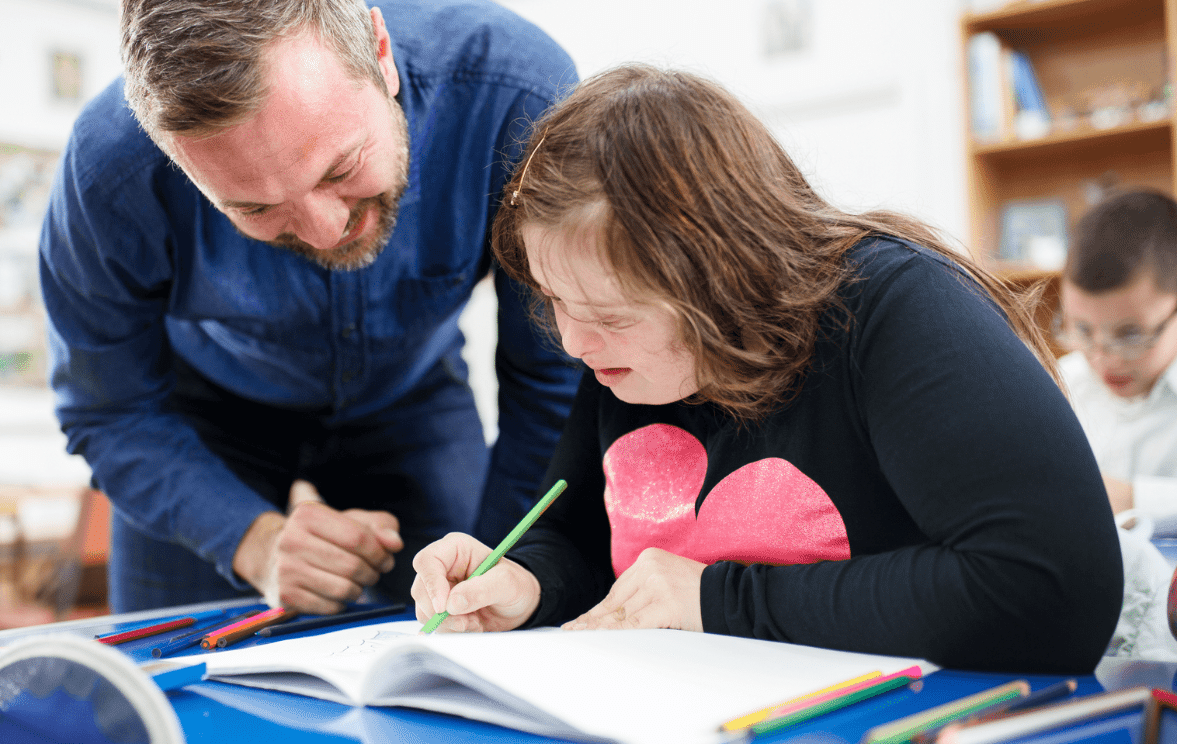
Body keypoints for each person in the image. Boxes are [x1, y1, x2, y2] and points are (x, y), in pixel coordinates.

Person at [409, 64, 1123, 673]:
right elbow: (579, 539)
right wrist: (526, 578)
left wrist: (710, 599)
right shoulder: (625, 362)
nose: (572, 342)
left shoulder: (892, 311)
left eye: (612, 313)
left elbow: (1049, 588)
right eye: (555, 299)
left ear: (720, 275)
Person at [38, 0, 581, 616]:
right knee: (164, 703)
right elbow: (109, 408)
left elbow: (552, 376)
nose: (327, 231)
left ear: (381, 55)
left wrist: (507, 568)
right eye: (255, 209)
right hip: (203, 421)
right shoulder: (109, 174)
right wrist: (252, 540)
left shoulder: (518, 98)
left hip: (412, 399)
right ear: (176, 163)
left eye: (342, 167)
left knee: (476, 633)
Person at [1057, 188, 1177, 531]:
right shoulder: (1058, 386)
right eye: (1081, 328)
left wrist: (1130, 500)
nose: (1101, 357)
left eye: (1129, 335)